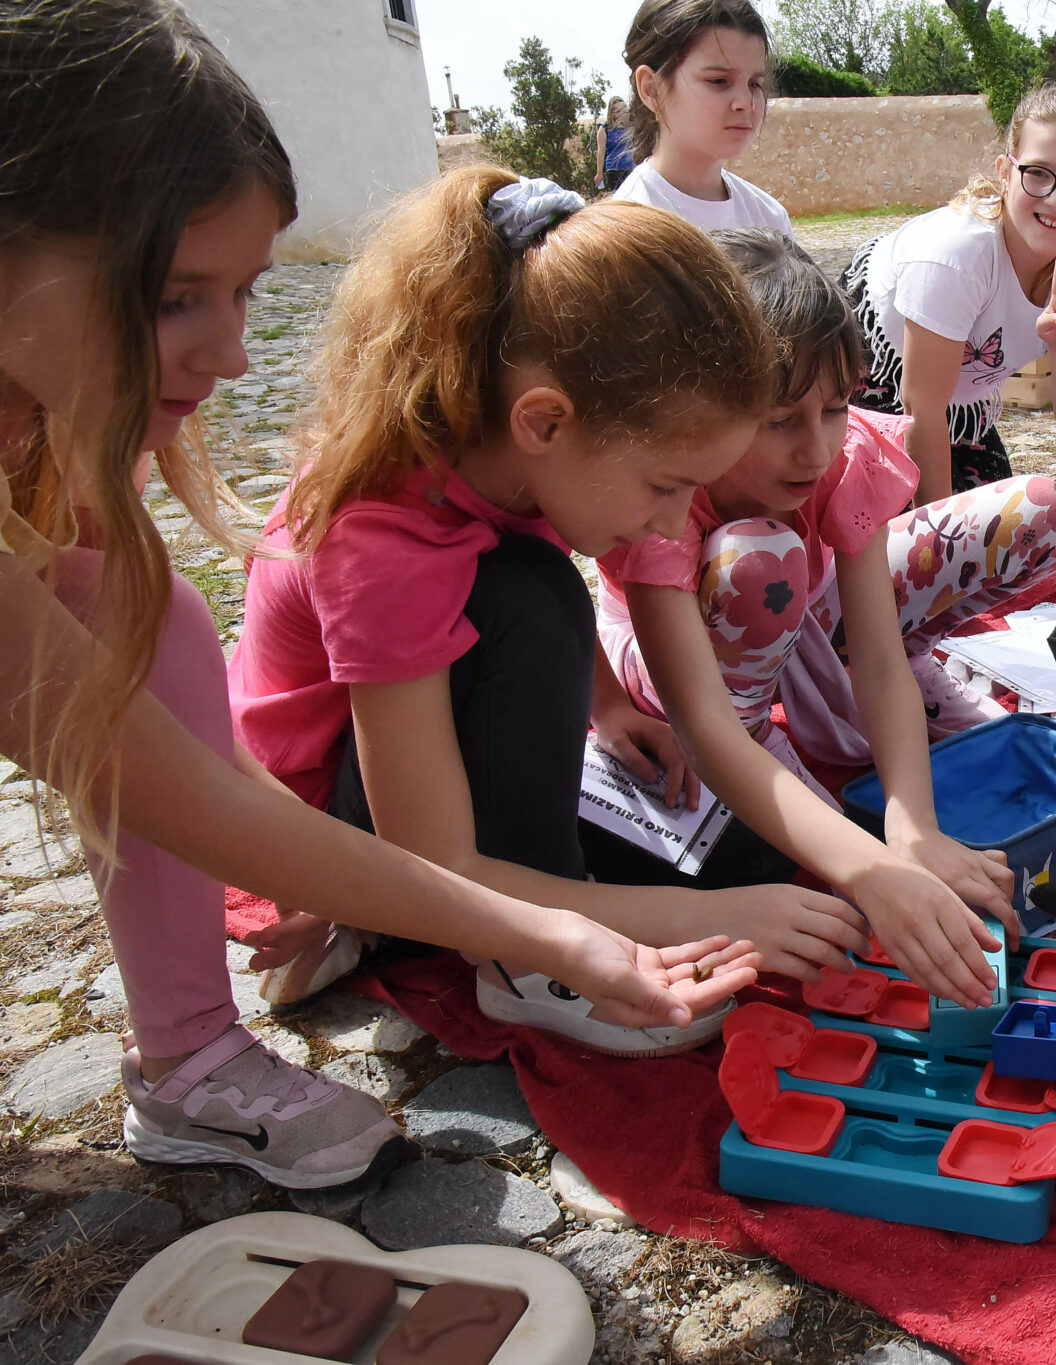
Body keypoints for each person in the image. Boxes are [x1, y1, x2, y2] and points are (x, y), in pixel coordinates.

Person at [0, 0, 756, 1190]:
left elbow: (181, 753)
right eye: (175, 297)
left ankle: (191, 1048)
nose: (230, 355)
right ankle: (209, 1038)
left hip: (339, 836)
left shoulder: (67, 425)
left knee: (152, 609)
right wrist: (564, 932)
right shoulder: (377, 520)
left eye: (245, 295)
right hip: (360, 833)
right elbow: (183, 790)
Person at [227, 166, 867, 1058]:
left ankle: (540, 910)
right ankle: (521, 964)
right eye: (666, 486)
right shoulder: (380, 537)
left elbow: (667, 696)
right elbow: (435, 866)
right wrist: (705, 917)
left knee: (744, 859)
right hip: (332, 842)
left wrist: (608, 703)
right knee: (536, 597)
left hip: (416, 780)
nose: (675, 524)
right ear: (546, 421)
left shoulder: (528, 451)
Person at [598, 230, 1056, 1008]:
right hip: (697, 655)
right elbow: (705, 726)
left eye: (833, 408)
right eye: (779, 420)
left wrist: (912, 826)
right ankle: (779, 750)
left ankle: (841, 685)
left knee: (1043, 511)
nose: (816, 448)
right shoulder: (663, 499)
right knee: (759, 563)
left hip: (804, 605)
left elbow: (879, 660)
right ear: (700, 410)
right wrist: (865, 862)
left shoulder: (840, 454)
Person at [842, 85, 1056, 503]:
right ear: (1005, 172)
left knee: (1009, 526)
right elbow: (921, 409)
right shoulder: (958, 255)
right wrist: (937, 534)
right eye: (1038, 173)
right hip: (867, 364)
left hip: (954, 401)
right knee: (879, 523)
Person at [611, 0, 791, 235]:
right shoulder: (627, 231)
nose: (746, 102)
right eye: (719, 81)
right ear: (652, 89)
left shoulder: (769, 217)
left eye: (754, 84)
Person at [601, 96, 635, 193]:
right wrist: (599, 172)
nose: (623, 112)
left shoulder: (631, 127)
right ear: (613, 114)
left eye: (624, 108)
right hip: (614, 169)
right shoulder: (605, 129)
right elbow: (601, 151)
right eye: (619, 111)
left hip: (630, 167)